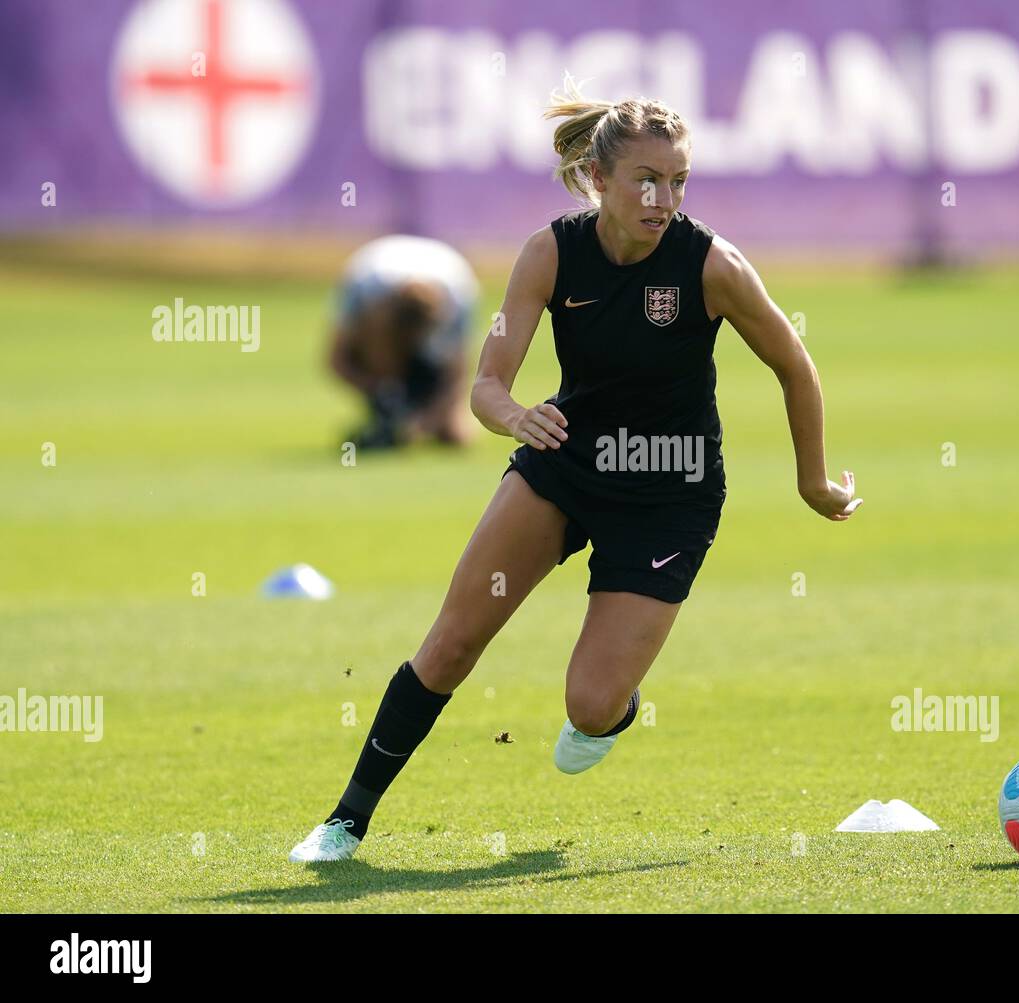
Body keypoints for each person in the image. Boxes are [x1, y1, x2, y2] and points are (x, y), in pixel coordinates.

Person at [290, 77, 860, 862]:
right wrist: (517, 416)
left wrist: (812, 481)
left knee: (589, 708)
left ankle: (613, 713)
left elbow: (796, 367)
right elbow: (486, 385)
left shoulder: (713, 265)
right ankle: (344, 821)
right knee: (452, 643)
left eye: (678, 181)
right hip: (566, 465)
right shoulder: (550, 252)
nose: (664, 198)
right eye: (647, 180)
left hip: (671, 494)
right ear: (600, 179)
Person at [328, 234, 479, 449]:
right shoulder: (363, 287)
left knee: (454, 435)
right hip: (375, 280)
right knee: (386, 379)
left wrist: (426, 423)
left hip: (430, 343)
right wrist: (378, 390)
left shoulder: (458, 298)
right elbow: (336, 361)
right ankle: (390, 409)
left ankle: (408, 411)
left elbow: (457, 377)